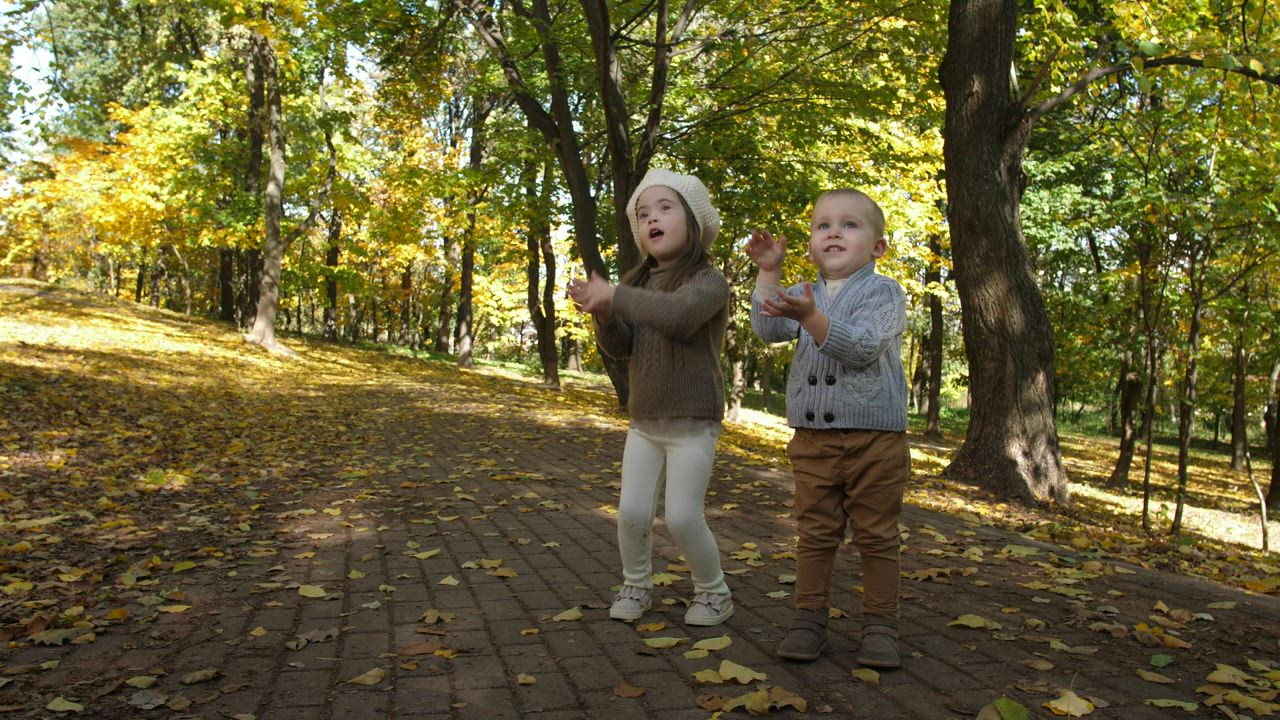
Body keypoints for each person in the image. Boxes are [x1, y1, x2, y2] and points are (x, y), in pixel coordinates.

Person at [745, 188, 910, 668]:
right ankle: (808, 619)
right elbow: (768, 330)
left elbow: (861, 348)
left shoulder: (885, 293)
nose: (833, 231)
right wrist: (769, 272)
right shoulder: (801, 292)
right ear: (812, 244)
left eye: (849, 224)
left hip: (875, 439)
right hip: (812, 439)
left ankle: (881, 624)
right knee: (815, 531)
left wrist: (812, 317)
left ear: (878, 247)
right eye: (823, 225)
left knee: (876, 534)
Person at [568, 168, 734, 627]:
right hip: (644, 421)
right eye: (643, 214)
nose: (652, 219)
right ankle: (637, 585)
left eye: (665, 208)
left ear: (694, 223)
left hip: (693, 422)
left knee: (681, 517)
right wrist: (604, 313)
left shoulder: (709, 281)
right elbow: (622, 346)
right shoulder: (635, 282)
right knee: (632, 512)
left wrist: (616, 296)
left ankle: (714, 593)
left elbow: (678, 317)